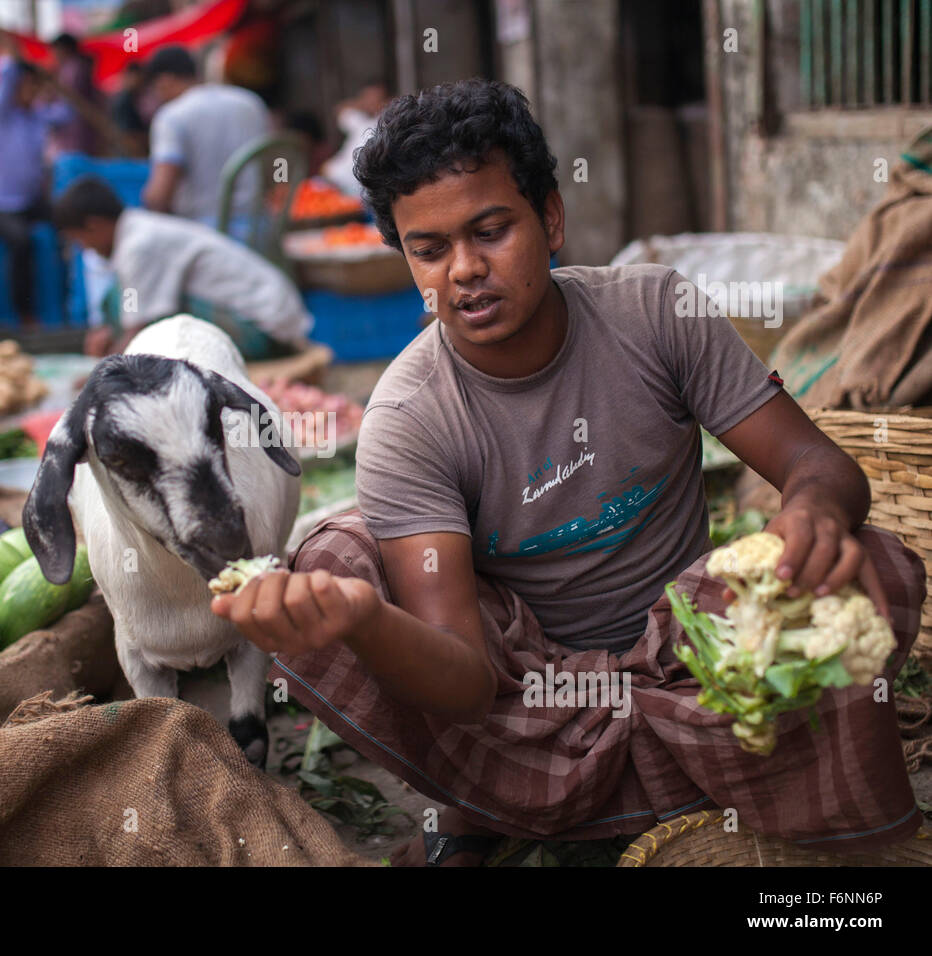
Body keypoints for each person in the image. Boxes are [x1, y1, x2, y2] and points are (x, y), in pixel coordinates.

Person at [209, 79, 927, 862]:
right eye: (430, 248)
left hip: (702, 661)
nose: (464, 271)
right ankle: (579, 795)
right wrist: (362, 621)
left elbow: (815, 462)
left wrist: (814, 509)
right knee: (340, 553)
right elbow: (467, 682)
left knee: (873, 566)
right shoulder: (409, 418)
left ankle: (530, 814)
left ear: (550, 218)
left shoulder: (656, 315)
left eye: (491, 230)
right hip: (537, 705)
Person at [54, 175, 311, 360]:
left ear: (94, 226)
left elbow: (140, 330)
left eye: (80, 240)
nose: (84, 248)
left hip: (266, 331)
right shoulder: (138, 231)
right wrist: (109, 332)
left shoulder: (138, 245)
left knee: (162, 328)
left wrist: (103, 370)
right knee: (117, 296)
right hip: (271, 317)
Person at [0, 52, 74, 327]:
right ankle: (22, 313)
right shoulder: (0, 115)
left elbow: (67, 111)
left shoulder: (37, 118)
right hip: (1, 208)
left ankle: (64, 305)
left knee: (69, 222)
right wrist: (16, 56)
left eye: (35, 86)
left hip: (31, 203)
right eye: (27, 85)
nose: (31, 91)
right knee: (21, 243)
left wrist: (55, 78)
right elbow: (5, 70)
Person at [140, 45, 270, 229]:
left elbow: (160, 193)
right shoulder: (250, 102)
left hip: (207, 235)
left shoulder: (171, 117)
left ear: (165, 80)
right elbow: (279, 162)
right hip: (259, 228)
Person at [321, 81, 388, 198]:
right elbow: (340, 109)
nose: (371, 101)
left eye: (376, 97)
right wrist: (364, 103)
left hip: (357, 188)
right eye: (367, 97)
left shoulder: (386, 122)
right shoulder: (358, 119)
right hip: (333, 178)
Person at [47, 32, 101, 158]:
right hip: (79, 133)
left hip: (75, 133)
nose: (54, 54)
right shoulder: (74, 67)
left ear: (64, 49)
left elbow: (67, 105)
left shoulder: (73, 68)